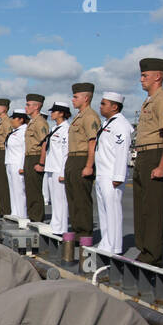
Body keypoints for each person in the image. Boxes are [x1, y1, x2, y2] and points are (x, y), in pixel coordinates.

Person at [132, 57, 163, 266]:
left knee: (152, 208)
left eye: (145, 75)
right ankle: (144, 249)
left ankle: (152, 255)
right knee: (141, 206)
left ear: (158, 76)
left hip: (154, 154)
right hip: (143, 155)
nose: (141, 79)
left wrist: (161, 165)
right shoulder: (149, 101)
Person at [94, 92, 132, 255]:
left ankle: (114, 247)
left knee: (112, 211)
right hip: (102, 173)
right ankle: (106, 243)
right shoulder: (107, 123)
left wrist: (118, 176)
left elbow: (122, 151)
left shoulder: (120, 125)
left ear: (114, 106)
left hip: (111, 175)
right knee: (104, 212)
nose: (100, 106)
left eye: (104, 104)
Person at [66, 83, 101, 235]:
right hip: (73, 159)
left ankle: (84, 233)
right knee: (73, 198)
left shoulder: (90, 116)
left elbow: (93, 142)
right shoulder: (79, 116)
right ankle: (76, 231)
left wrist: (89, 165)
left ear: (86, 98)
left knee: (81, 199)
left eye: (75, 97)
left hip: (82, 158)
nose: (72, 99)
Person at [44, 97, 71, 234]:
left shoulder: (66, 129)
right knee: (55, 200)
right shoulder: (55, 128)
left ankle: (61, 227)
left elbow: (66, 152)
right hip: (51, 166)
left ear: (61, 113)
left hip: (59, 168)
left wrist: (63, 171)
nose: (52, 113)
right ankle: (55, 224)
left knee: (61, 200)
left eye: (54, 111)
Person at [23, 94, 49, 222]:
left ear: (37, 106)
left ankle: (37, 218)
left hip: (36, 157)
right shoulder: (32, 122)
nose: (26, 107)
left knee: (35, 190)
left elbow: (45, 143)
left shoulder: (40, 122)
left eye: (28, 105)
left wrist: (41, 163)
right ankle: (32, 216)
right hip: (29, 157)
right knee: (29, 189)